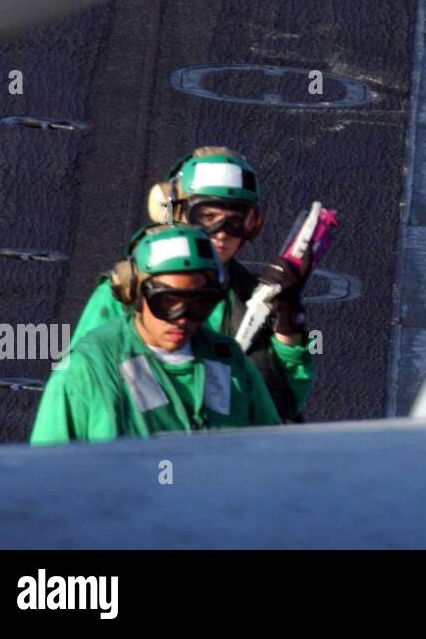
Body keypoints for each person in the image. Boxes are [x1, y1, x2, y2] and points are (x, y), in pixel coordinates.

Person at [70, 147, 312, 421]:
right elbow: (78, 390)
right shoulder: (124, 292)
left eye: (236, 221)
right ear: (173, 210)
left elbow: (286, 401)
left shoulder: (254, 298)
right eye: (207, 217)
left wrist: (288, 316)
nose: (221, 233)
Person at [31, 224, 282, 443]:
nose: (182, 318)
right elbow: (46, 471)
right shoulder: (88, 367)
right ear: (136, 295)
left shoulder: (230, 361)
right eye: (167, 302)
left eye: (199, 303)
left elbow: (273, 454)